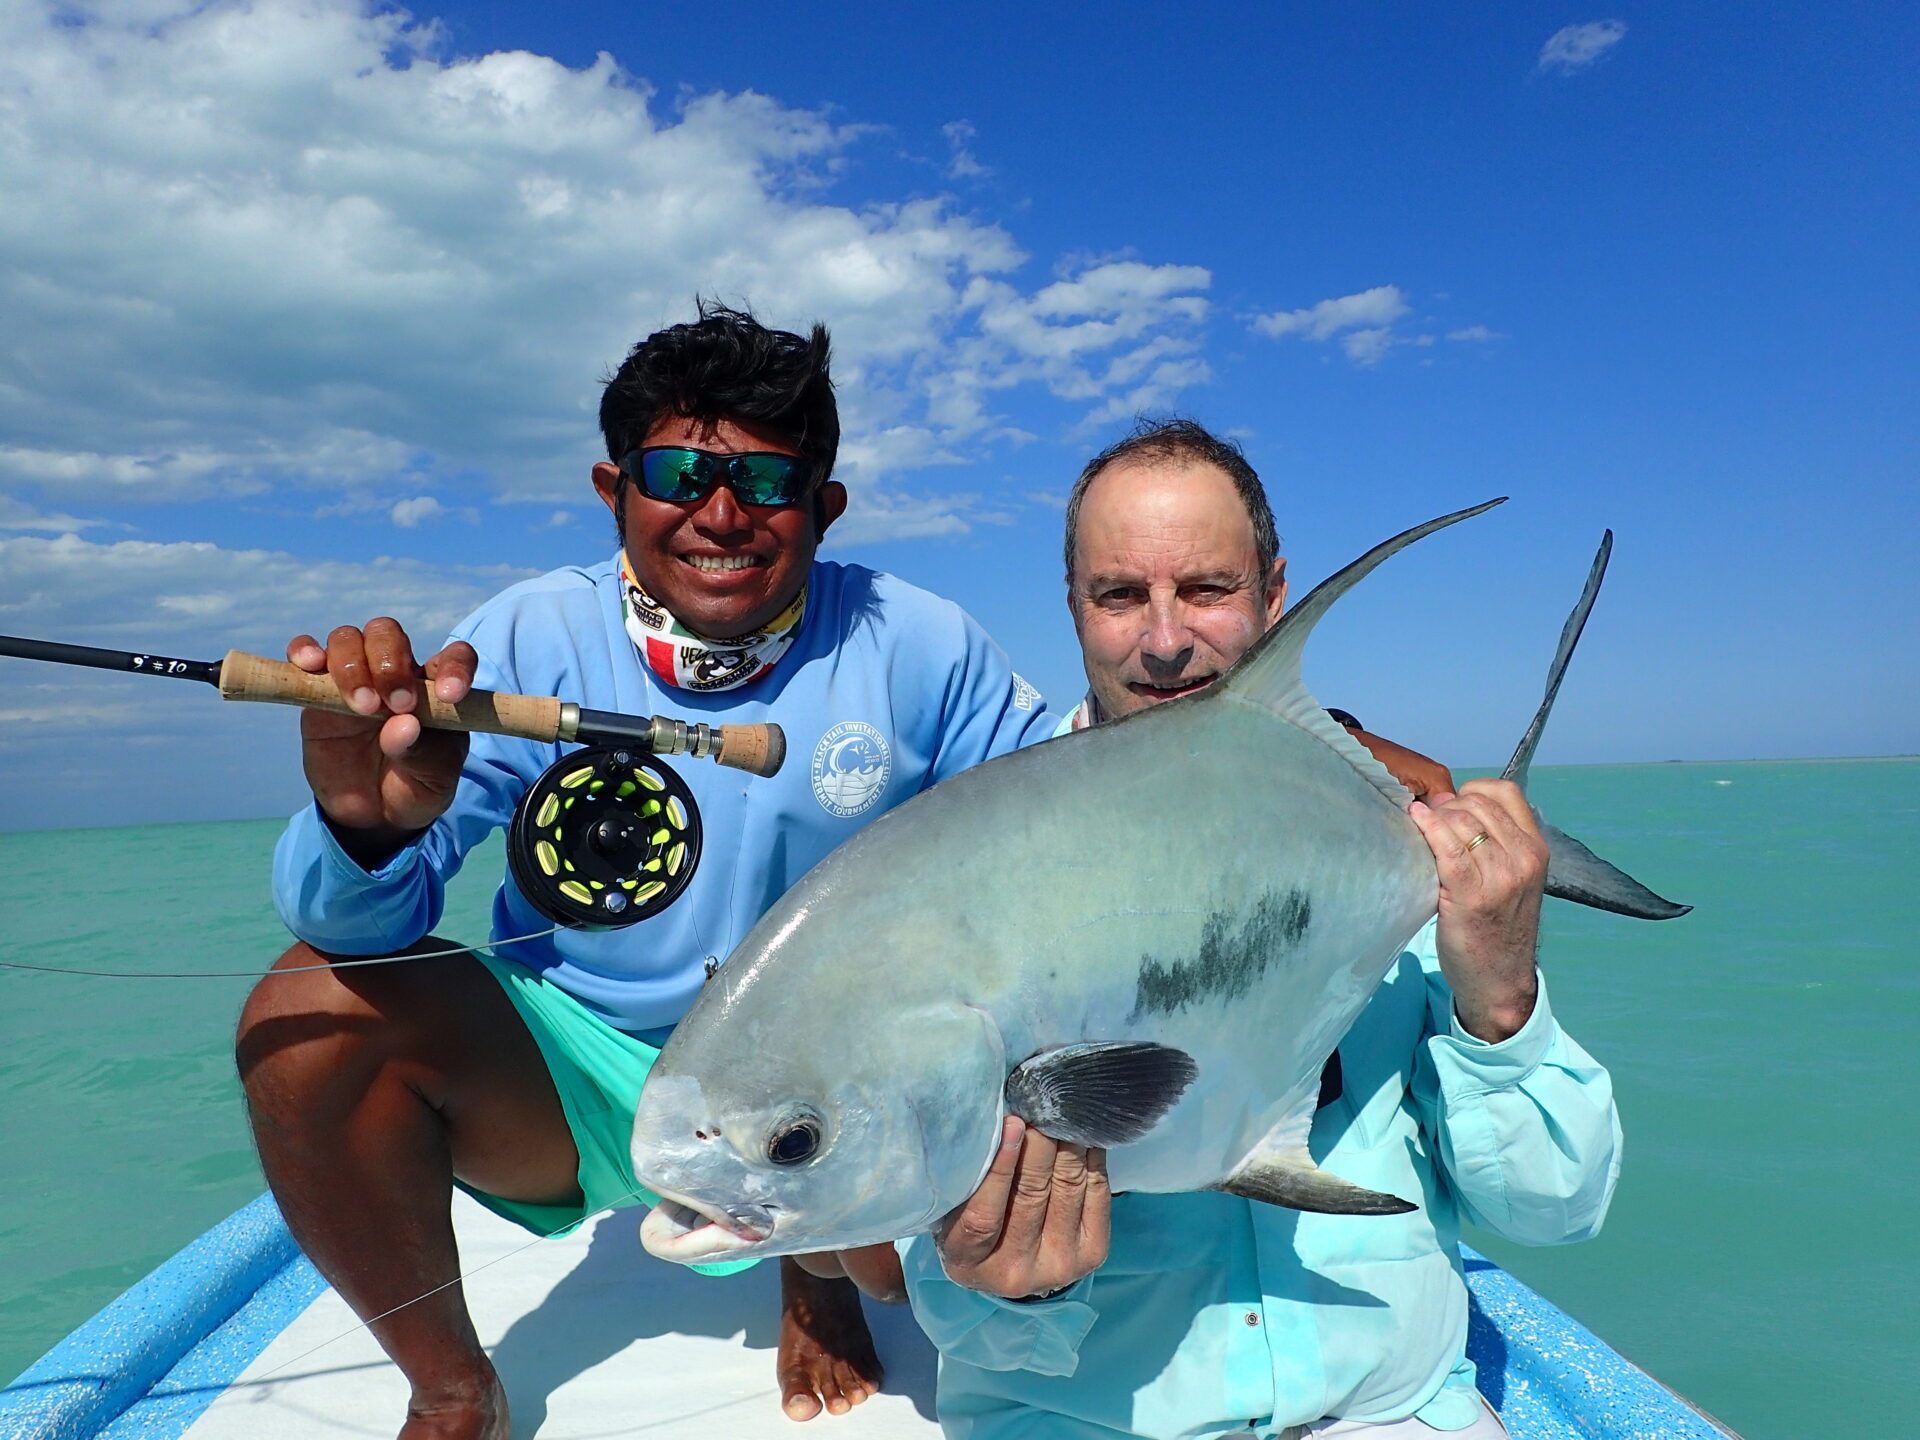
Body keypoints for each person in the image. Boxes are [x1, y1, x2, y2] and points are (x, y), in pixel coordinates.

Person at [237, 304, 1061, 1440]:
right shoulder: (524, 637)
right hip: (578, 1072)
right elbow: (354, 931)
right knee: (302, 1010)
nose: (720, 515)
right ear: (612, 488)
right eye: (677, 472)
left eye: (767, 485)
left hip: (829, 1085)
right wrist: (364, 824)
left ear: (823, 507)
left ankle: (815, 1266)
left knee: (913, 1270)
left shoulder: (923, 646)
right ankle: (450, 1383)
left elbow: (1062, 848)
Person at [804, 419, 1620, 1440]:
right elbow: (975, 1333)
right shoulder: (969, 873)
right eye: (1119, 596)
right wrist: (1009, 1291)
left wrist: (1499, 993)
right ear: (1074, 610)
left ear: (1274, 597)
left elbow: (1558, 1211)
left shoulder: (1380, 828)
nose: (1163, 640)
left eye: (1206, 589)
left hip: (1397, 1412)